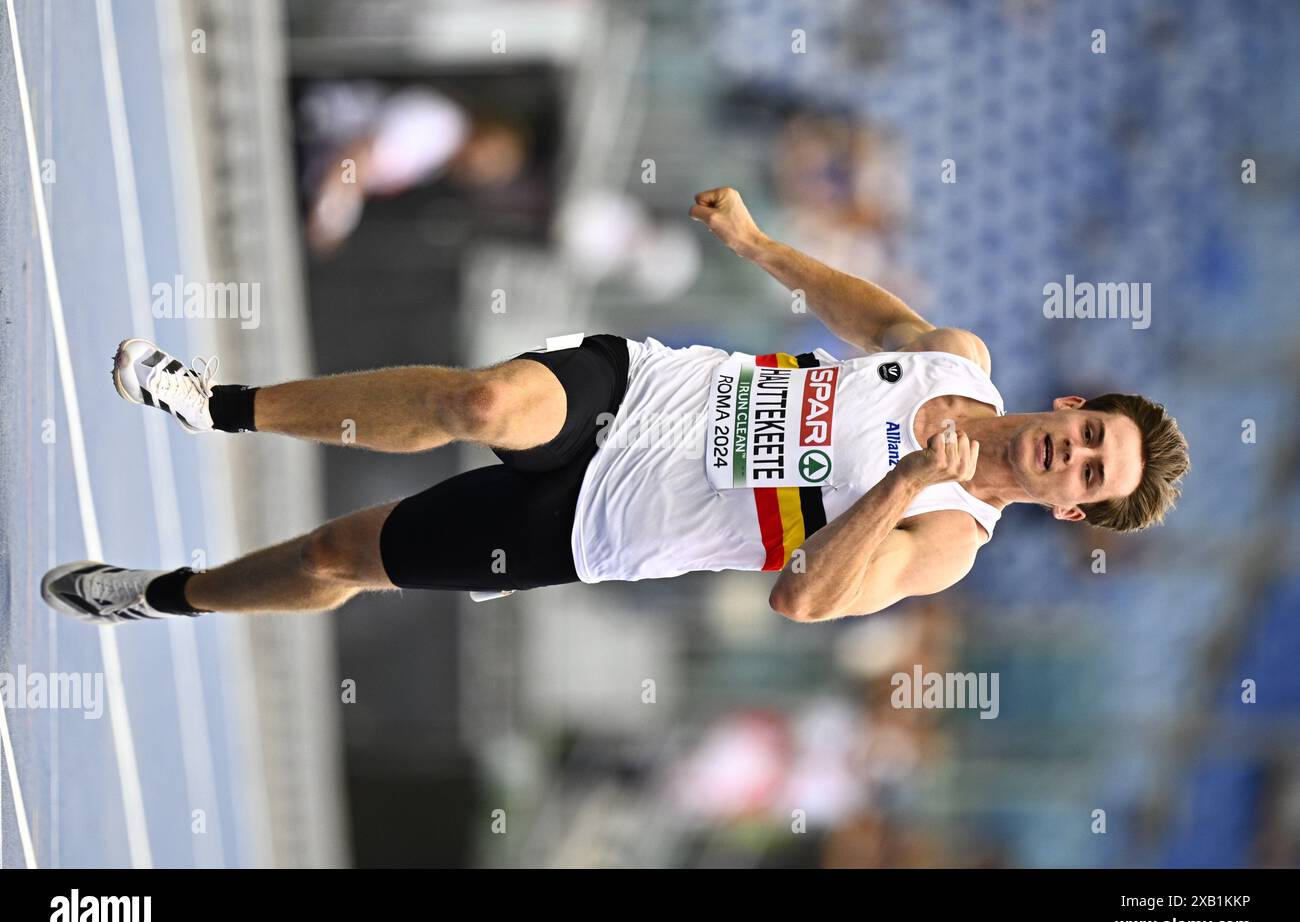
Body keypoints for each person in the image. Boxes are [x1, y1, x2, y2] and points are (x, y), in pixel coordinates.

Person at [41, 187, 1189, 626]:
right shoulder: (957, 359)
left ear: (1071, 509)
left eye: (1088, 473)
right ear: (1075, 401)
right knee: (481, 396)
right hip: (647, 393)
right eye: (1091, 434)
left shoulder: (945, 543)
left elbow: (799, 599)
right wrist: (757, 244)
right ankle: (216, 402)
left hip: (607, 529)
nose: (1071, 453)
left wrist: (902, 480)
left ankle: (163, 595)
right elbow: (865, 315)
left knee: (345, 554)